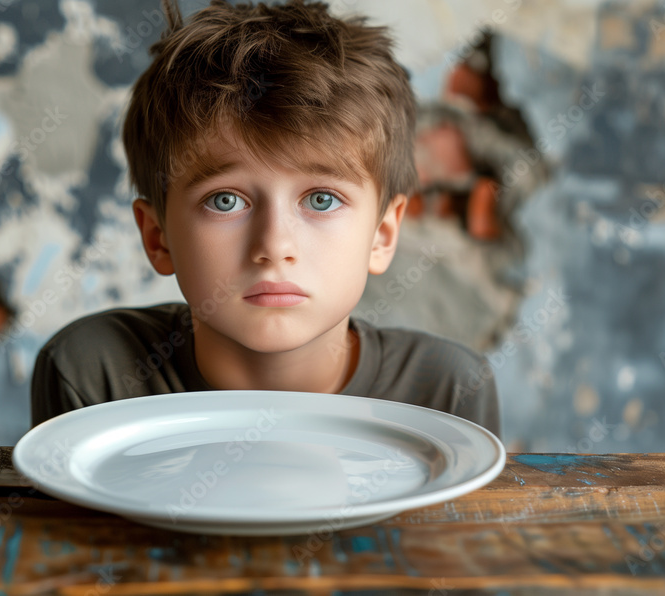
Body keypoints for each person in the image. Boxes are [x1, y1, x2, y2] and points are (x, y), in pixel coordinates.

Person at [30, 0, 500, 437]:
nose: (275, 246)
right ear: (158, 238)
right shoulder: (95, 373)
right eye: (226, 202)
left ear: (382, 234)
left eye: (320, 200)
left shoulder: (447, 393)